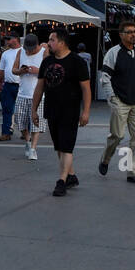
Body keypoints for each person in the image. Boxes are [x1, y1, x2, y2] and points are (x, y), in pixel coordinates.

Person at [31, 30, 91, 197]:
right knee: (59, 146)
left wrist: (86, 111)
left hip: (70, 111)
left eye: (52, 40)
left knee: (66, 147)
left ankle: (61, 181)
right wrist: (33, 110)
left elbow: (86, 89)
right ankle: (71, 176)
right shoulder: (47, 62)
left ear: (62, 42)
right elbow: (39, 87)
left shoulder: (77, 62)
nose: (48, 43)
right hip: (51, 109)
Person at [99, 20, 135, 185]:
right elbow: (105, 78)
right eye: (129, 32)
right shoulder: (113, 53)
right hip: (120, 100)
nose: (133, 34)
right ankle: (106, 158)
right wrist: (112, 98)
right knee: (118, 135)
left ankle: (132, 172)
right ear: (121, 35)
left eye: (134, 31)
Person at [12, 33, 46, 161]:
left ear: (37, 45)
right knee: (20, 122)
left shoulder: (44, 52)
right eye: (27, 49)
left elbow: (48, 70)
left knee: (36, 123)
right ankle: (27, 141)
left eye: (31, 49)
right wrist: (21, 71)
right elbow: (13, 69)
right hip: (22, 93)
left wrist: (37, 71)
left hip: (38, 94)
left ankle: (33, 148)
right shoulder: (21, 52)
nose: (29, 51)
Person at [0, 34, 21, 141]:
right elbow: (1, 70)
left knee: (23, 110)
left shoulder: (24, 51)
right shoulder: (5, 53)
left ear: (16, 39)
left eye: (9, 39)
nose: (7, 42)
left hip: (21, 85)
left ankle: (26, 132)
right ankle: (6, 133)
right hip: (8, 84)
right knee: (7, 109)